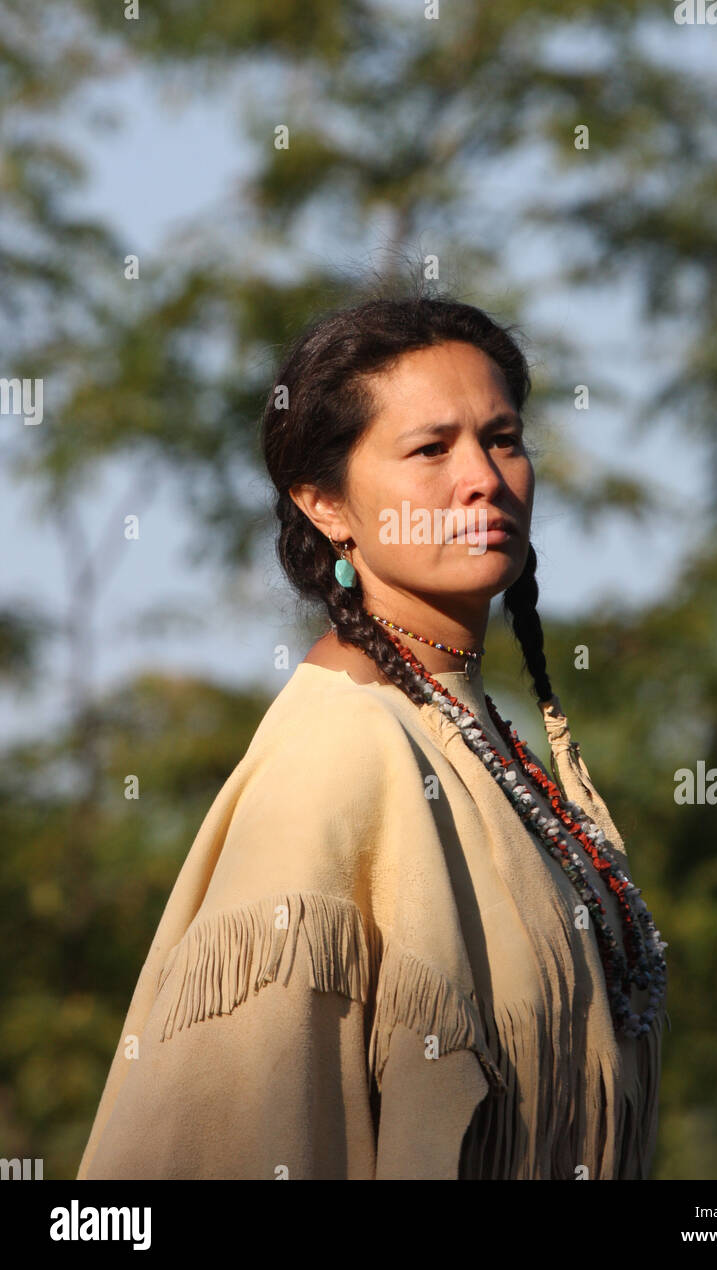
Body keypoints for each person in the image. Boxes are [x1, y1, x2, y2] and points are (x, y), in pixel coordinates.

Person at [77, 291, 666, 1181]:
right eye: (431, 448)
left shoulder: (471, 728)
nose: (483, 476)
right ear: (325, 503)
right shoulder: (341, 752)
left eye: (502, 437)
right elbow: (238, 1134)